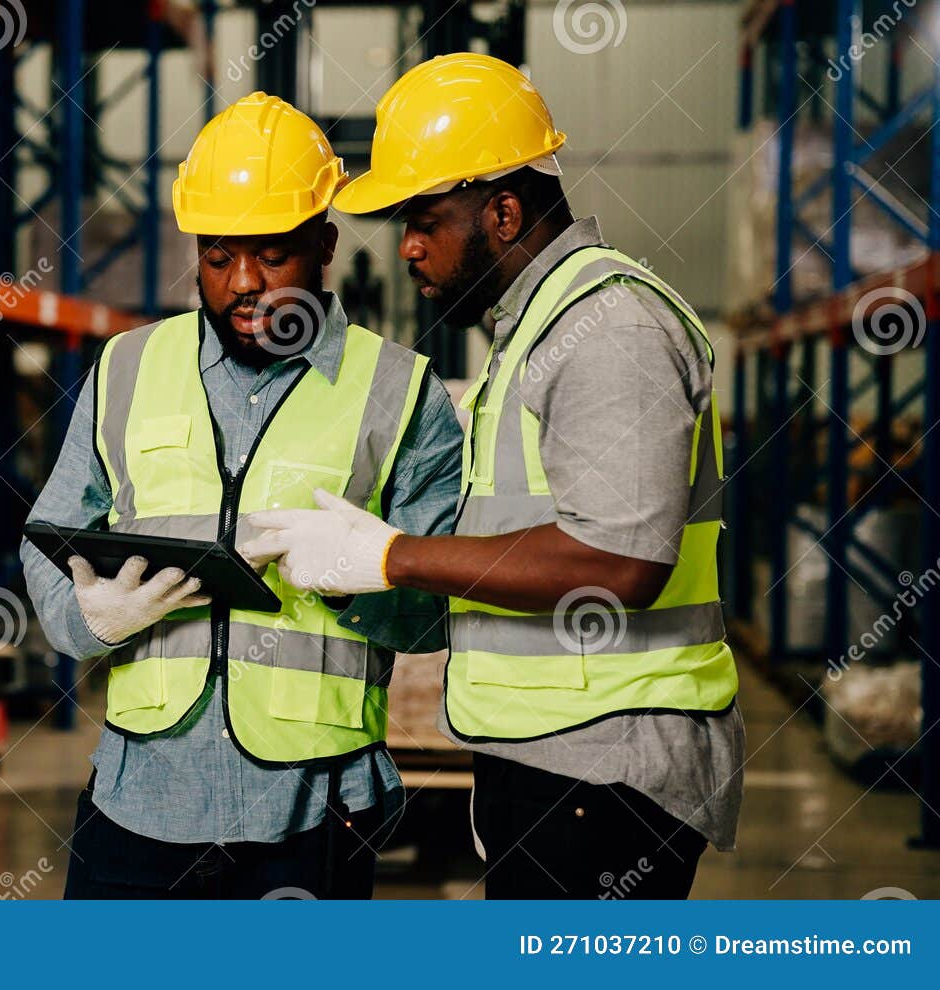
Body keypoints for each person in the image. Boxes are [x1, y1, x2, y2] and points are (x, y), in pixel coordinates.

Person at [240, 53, 744, 900]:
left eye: (424, 219)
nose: (405, 246)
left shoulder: (608, 327)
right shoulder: (535, 332)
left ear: (504, 212)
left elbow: (619, 562)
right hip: (558, 759)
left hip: (606, 772)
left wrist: (392, 556)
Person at [20, 92, 463, 899]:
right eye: (220, 258)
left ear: (324, 244)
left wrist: (365, 575)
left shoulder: (402, 393)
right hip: (138, 800)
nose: (244, 284)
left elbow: (436, 616)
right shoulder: (126, 367)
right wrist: (83, 620)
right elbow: (48, 531)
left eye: (271, 255)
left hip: (311, 811)